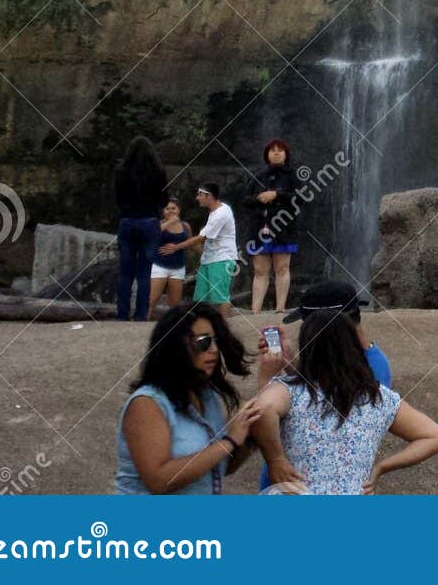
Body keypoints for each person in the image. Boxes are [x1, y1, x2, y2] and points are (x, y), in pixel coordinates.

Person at [251, 308, 438, 495]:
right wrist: (381, 467)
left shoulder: (290, 392)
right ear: (353, 347)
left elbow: (263, 408)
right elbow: (435, 437)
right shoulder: (378, 397)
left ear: (307, 347)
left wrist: (275, 460)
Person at [254, 281, 392, 491]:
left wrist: (267, 380)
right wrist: (290, 364)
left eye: (307, 323)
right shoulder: (365, 362)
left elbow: (311, 416)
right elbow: (314, 395)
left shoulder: (369, 371)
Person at [115, 303, 261, 494]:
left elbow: (220, 468)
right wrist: (229, 441)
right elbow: (158, 480)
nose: (214, 350)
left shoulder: (209, 397)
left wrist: (248, 437)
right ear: (175, 346)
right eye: (204, 342)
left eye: (216, 341)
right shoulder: (147, 403)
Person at [160, 183, 237, 314]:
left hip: (222, 259)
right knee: (200, 299)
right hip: (209, 260)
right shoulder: (217, 210)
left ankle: (224, 327)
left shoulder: (221, 213)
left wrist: (176, 247)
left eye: (200, 195)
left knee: (220, 297)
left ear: (209, 196)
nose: (197, 198)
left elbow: (201, 238)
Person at [243, 138, 300, 313]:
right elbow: (245, 200)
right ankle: (255, 310)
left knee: (282, 268)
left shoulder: (293, 175)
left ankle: (281, 307)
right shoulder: (258, 175)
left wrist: (276, 194)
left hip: (283, 227)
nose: (276, 152)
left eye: (280, 149)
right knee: (260, 270)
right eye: (272, 149)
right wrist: (260, 197)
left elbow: (300, 198)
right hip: (260, 227)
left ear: (286, 154)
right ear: (267, 154)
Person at [113, 137, 167, 321]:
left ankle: (121, 314)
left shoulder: (122, 171)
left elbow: (118, 199)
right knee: (145, 272)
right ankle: (141, 315)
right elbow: (164, 200)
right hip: (150, 221)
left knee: (126, 272)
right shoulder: (158, 172)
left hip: (127, 221)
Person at [148, 198, 191, 320]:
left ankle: (172, 328)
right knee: (152, 299)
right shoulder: (159, 224)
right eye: (167, 209)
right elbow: (152, 235)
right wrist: (170, 222)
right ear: (163, 211)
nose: (171, 211)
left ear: (179, 210)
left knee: (175, 303)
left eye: (173, 208)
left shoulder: (185, 226)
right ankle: (143, 321)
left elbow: (190, 243)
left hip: (178, 267)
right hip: (160, 265)